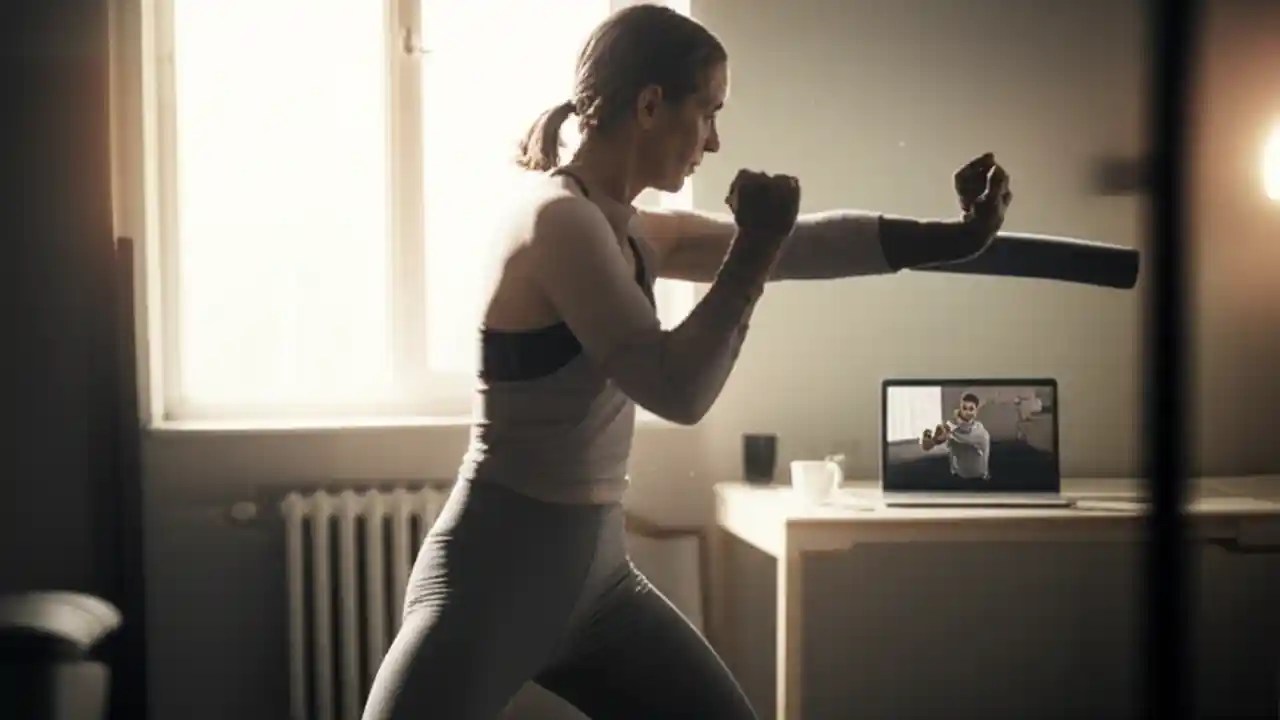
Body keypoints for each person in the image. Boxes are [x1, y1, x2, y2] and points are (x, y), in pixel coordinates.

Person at [361, 4, 1012, 719]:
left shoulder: (633, 228)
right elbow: (676, 388)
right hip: (497, 576)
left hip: (600, 585)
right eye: (707, 113)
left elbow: (805, 245)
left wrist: (950, 238)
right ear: (649, 105)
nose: (714, 139)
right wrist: (754, 251)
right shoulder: (558, 220)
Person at [921, 393, 992, 480]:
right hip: (957, 478)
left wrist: (954, 426)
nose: (967, 412)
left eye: (971, 409)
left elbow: (965, 438)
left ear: (976, 411)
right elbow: (929, 446)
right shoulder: (951, 426)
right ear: (960, 409)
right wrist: (933, 439)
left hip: (979, 479)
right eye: (964, 408)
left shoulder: (981, 432)